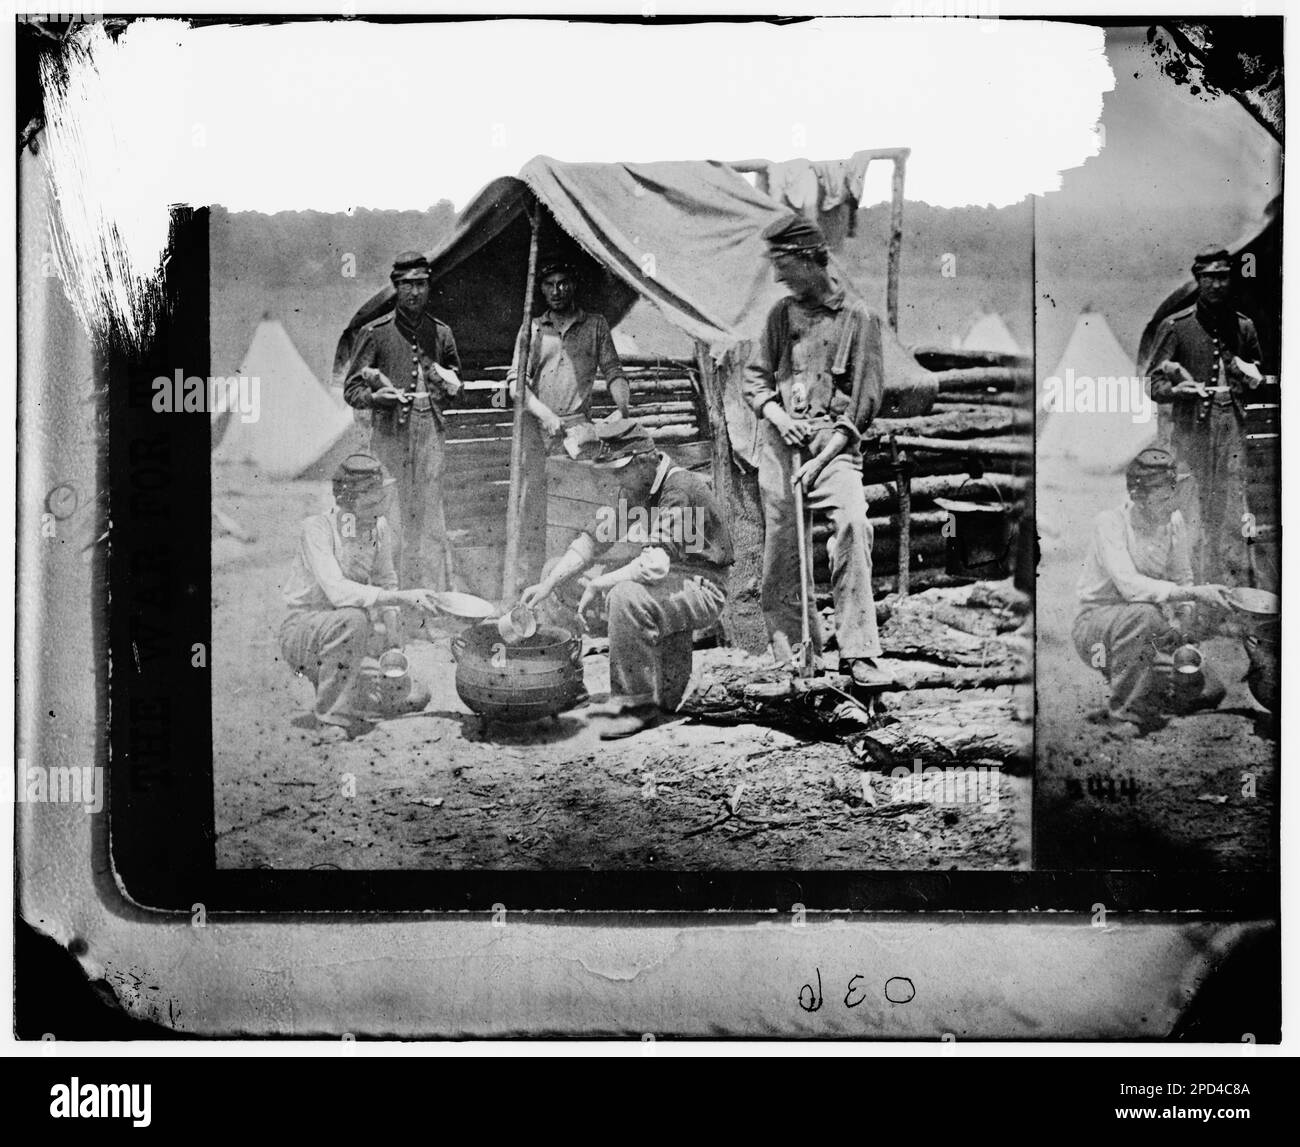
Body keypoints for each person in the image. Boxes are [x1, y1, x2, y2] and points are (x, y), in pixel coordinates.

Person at [741, 212, 891, 688]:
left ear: (810, 259)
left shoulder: (859, 319)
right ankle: (794, 652)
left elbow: (863, 408)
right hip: (782, 450)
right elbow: (755, 379)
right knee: (782, 552)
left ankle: (860, 653)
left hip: (834, 453)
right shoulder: (780, 317)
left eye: (783, 264)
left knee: (852, 523)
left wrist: (822, 461)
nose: (778, 276)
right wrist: (778, 416)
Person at [519, 423, 733, 740]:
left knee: (626, 596)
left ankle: (636, 706)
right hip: (666, 576)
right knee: (556, 570)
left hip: (703, 583)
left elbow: (654, 567)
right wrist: (549, 583)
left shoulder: (678, 489)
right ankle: (570, 685)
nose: (617, 477)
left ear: (646, 459)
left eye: (623, 470)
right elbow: (591, 542)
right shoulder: (636, 487)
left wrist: (598, 584)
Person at [1072, 447, 1231, 734]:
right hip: (1098, 628)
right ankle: (1127, 714)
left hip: (1150, 625)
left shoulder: (1173, 521)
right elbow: (1130, 586)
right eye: (1163, 499)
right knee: (1143, 616)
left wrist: (1184, 618)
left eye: (1173, 495)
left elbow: (1183, 577)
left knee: (1210, 690)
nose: (1171, 505)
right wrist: (1195, 594)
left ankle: (1149, 690)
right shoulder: (1110, 523)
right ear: (1139, 497)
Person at [279, 454, 438, 741]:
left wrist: (394, 641)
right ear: (348, 500)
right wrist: (401, 599)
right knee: (353, 619)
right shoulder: (317, 529)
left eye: (381, 500)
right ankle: (331, 719)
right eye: (371, 503)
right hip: (305, 633)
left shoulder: (378, 528)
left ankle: (348, 694)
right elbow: (337, 591)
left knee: (417, 693)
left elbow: (385, 581)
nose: (379, 509)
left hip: (352, 634)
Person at [505, 258, 632, 587]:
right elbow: (515, 385)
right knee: (532, 509)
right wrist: (544, 414)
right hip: (537, 431)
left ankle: (568, 587)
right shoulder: (532, 328)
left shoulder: (595, 325)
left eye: (563, 283)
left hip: (576, 434)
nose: (557, 291)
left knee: (574, 511)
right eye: (549, 284)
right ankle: (527, 587)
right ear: (541, 288)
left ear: (574, 285)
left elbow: (614, 372)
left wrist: (623, 408)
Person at [1145, 245, 1266, 585]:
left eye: (1223, 277)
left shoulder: (1244, 327)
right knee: (1191, 510)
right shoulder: (1175, 326)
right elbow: (1152, 384)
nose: (1216, 285)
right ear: (1198, 279)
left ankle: (1229, 591)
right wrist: (1175, 392)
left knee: (1229, 511)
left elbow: (1259, 376)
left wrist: (1248, 374)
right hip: (1191, 428)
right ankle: (1190, 590)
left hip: (1232, 425)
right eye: (1209, 278)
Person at [343, 251, 463, 591]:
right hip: (390, 435)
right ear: (396, 287)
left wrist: (447, 383)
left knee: (431, 526)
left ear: (428, 287)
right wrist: (375, 399)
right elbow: (352, 389)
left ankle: (432, 606)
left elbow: (458, 384)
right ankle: (391, 606)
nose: (414, 292)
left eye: (421, 285)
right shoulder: (375, 333)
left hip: (430, 434)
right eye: (407, 285)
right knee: (390, 523)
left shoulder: (441, 334)